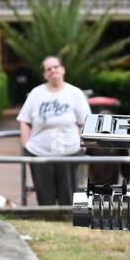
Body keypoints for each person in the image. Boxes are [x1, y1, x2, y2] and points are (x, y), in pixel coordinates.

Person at [18, 55, 91, 207]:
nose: (53, 71)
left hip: (69, 152)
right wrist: (26, 146)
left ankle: (68, 224)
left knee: (69, 197)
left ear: (63, 69)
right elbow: (24, 121)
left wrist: (83, 145)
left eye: (56, 67)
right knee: (45, 198)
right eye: (48, 69)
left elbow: (86, 122)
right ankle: (47, 221)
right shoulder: (36, 94)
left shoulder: (75, 93)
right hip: (40, 153)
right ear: (45, 74)